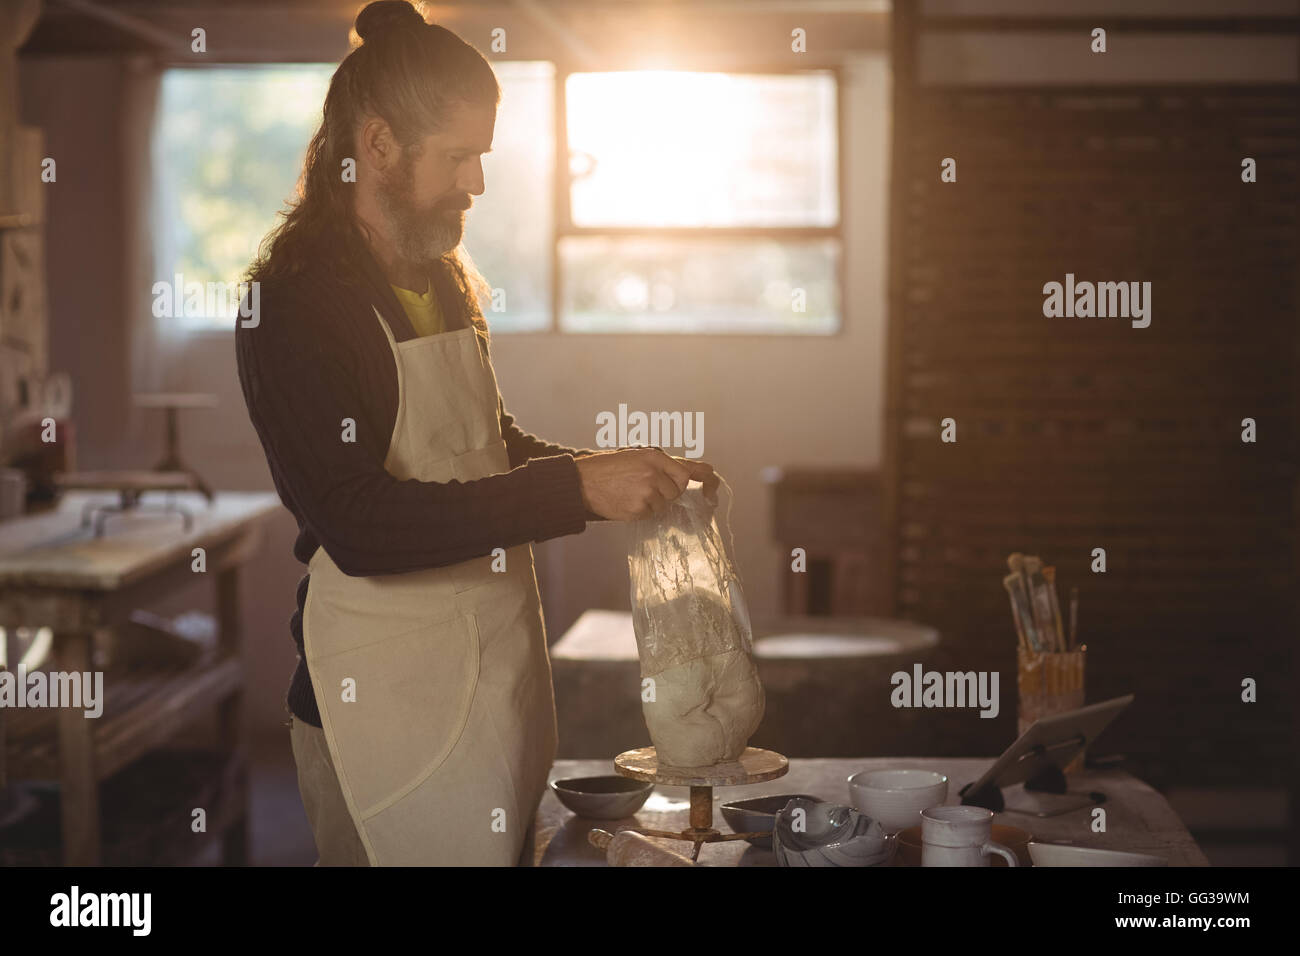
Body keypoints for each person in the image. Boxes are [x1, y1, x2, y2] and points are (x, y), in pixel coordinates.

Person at [236, 0, 717, 866]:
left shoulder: (440, 278)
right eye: (459, 158)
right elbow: (358, 523)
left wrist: (614, 472)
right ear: (378, 145)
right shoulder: (293, 304)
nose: (477, 185)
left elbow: (487, 445)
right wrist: (576, 489)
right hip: (371, 697)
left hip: (490, 670)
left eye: (481, 157)